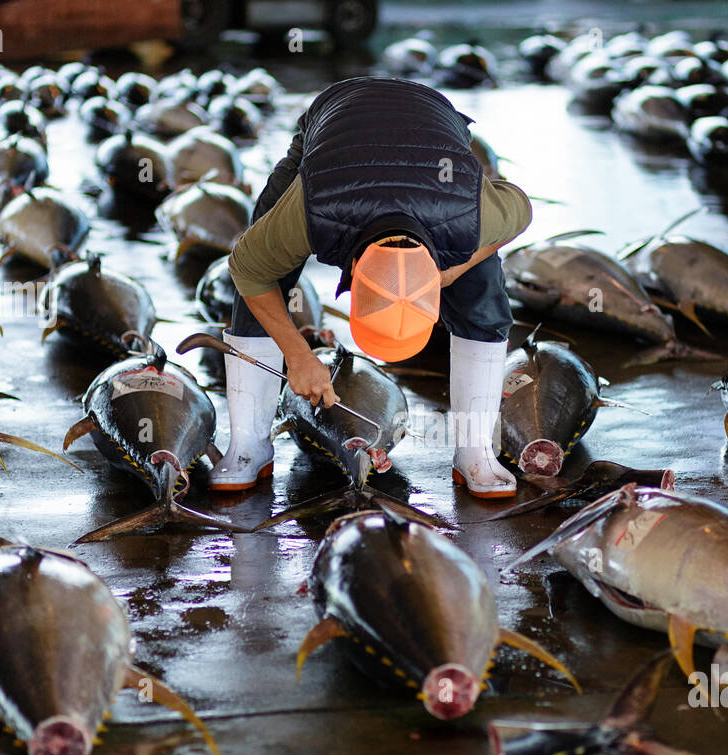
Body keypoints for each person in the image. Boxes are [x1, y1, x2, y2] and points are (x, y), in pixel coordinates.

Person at [216, 75, 533, 498]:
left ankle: (475, 451)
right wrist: (297, 353)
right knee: (262, 274)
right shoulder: (314, 210)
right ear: (351, 278)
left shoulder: (467, 212)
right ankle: (248, 447)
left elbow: (523, 208)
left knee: (485, 300)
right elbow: (248, 268)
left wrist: (459, 268)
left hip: (435, 130)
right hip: (336, 118)